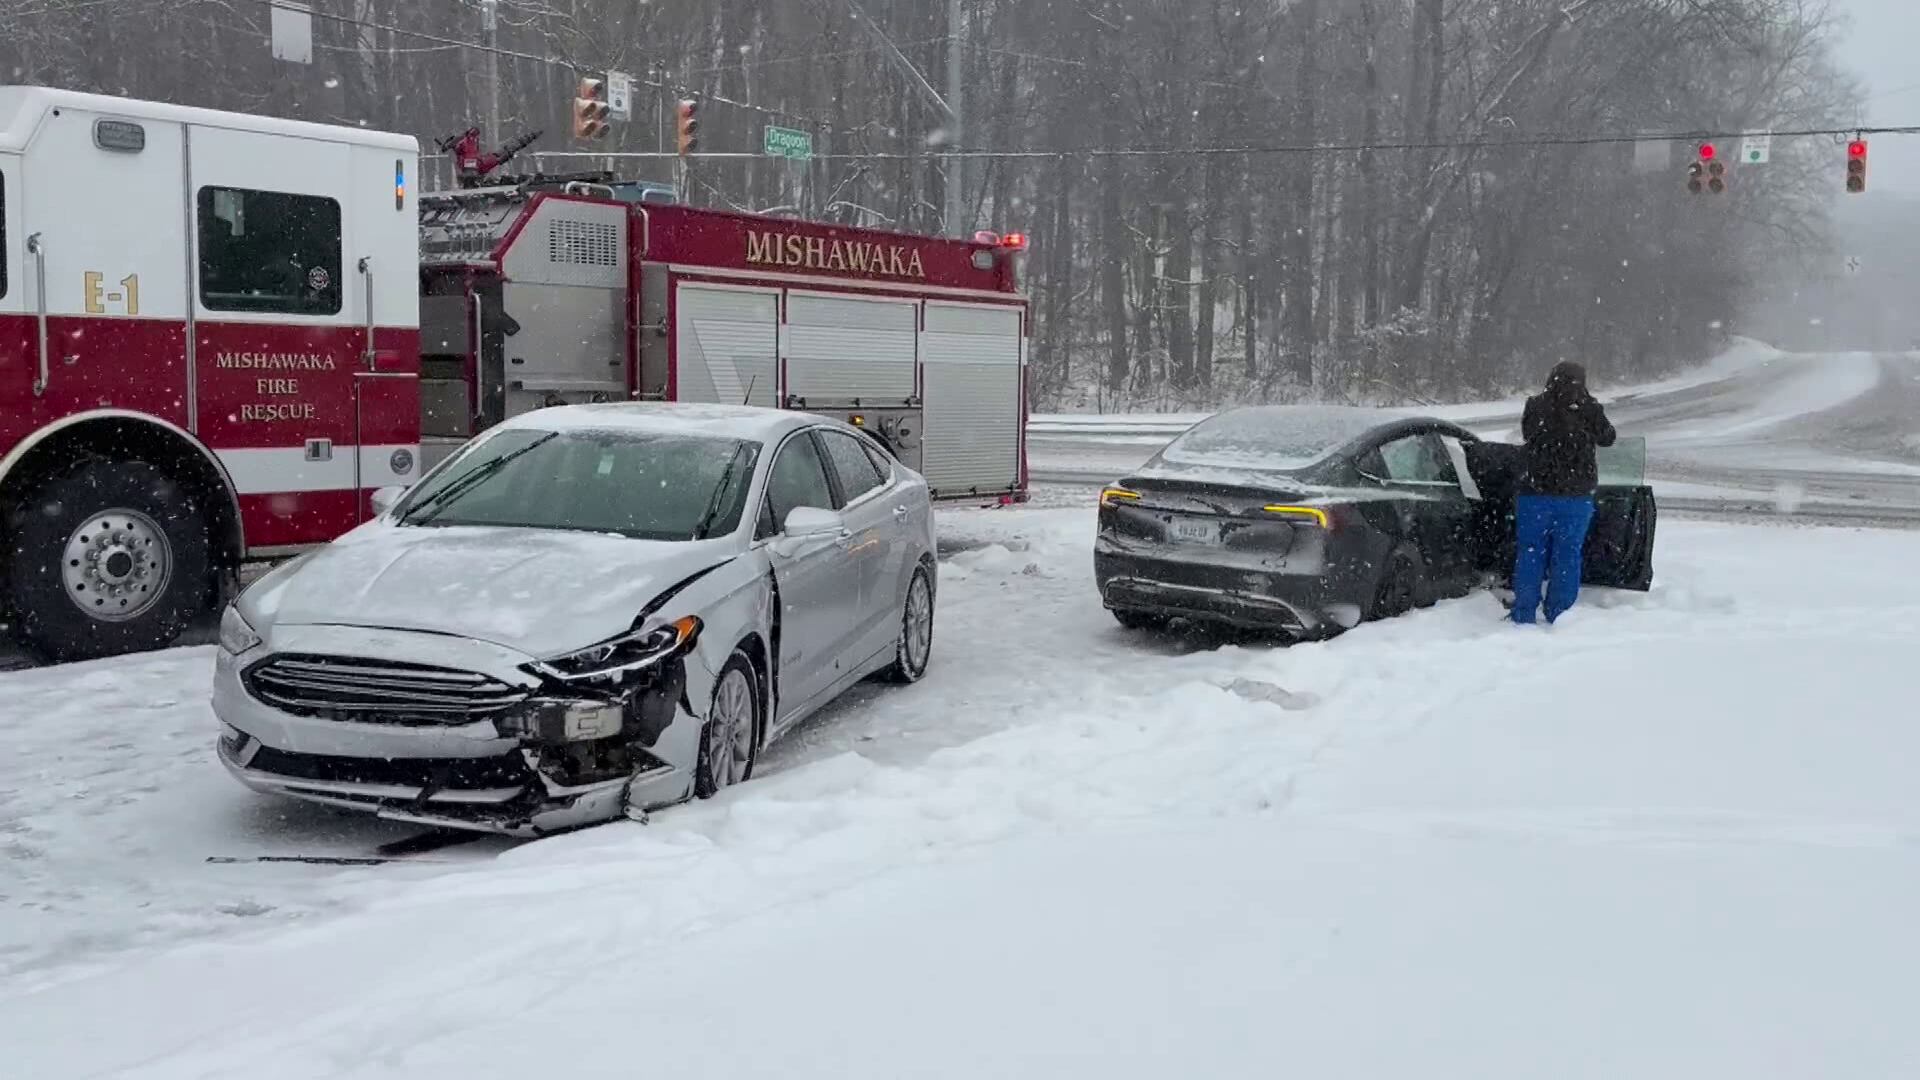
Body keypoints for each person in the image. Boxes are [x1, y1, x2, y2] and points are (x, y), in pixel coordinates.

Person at [1511, 360, 1616, 625]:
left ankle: (1524, 612)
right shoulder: (1589, 408)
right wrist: (1587, 409)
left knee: (1531, 552)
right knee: (1568, 553)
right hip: (1576, 496)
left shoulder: (1535, 405)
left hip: (1535, 494)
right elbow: (1608, 438)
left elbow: (1527, 434)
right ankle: (1560, 613)